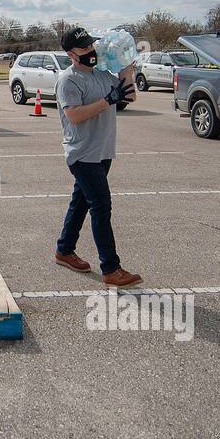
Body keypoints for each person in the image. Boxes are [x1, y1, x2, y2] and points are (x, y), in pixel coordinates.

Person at [53, 26, 141, 287]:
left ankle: (64, 250)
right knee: (101, 207)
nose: (90, 51)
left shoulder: (102, 74)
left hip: (103, 152)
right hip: (82, 154)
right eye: (84, 49)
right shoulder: (68, 80)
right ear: (71, 54)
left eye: (91, 45)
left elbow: (130, 95)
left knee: (80, 203)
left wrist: (127, 72)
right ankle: (111, 269)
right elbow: (75, 116)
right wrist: (107, 100)